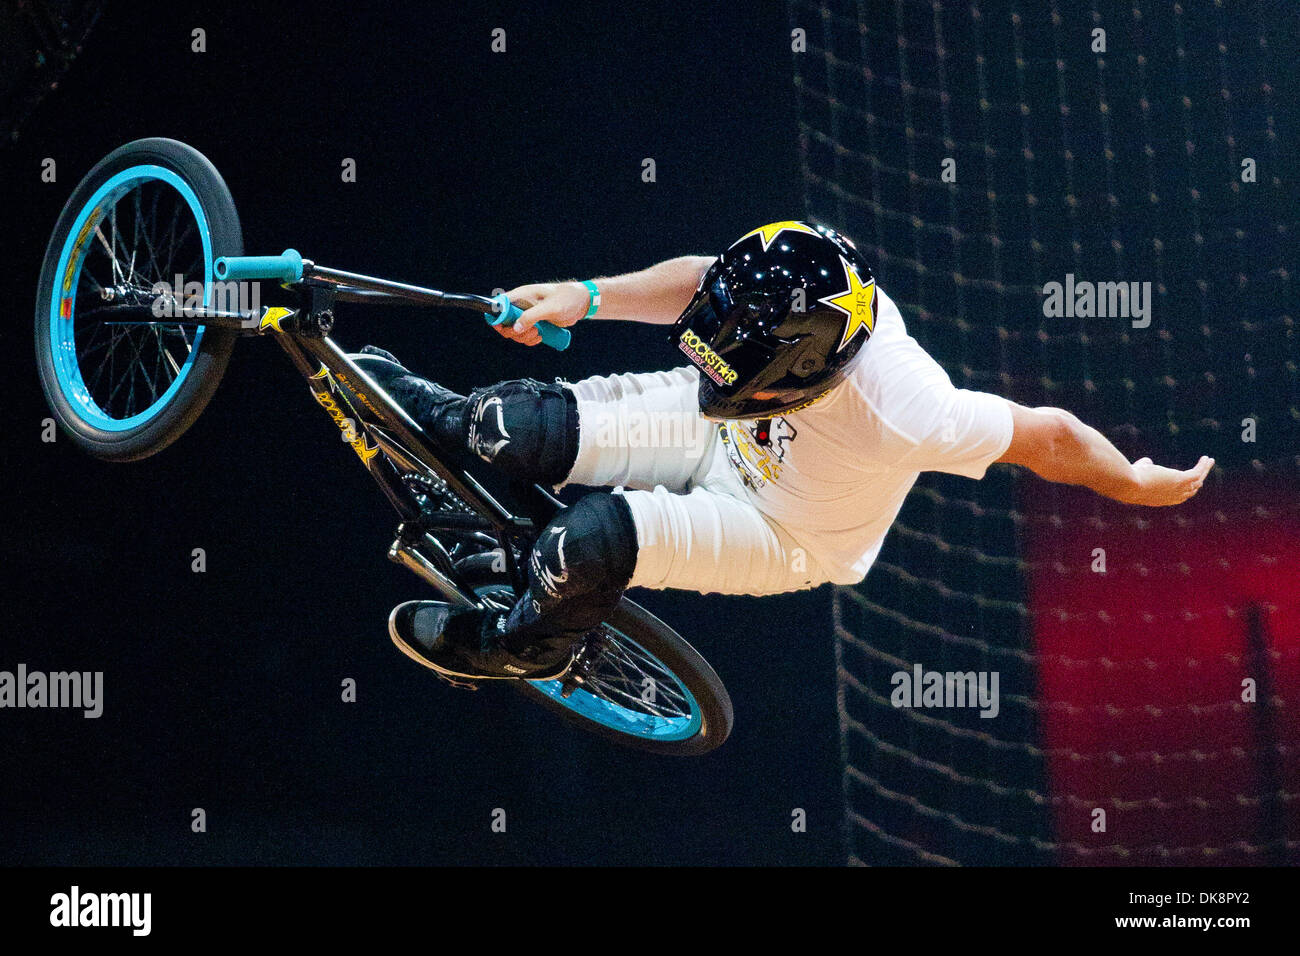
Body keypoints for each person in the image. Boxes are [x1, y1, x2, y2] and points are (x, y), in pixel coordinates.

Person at [357, 221, 1213, 682]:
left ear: (815, 373)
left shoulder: (910, 406)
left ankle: (524, 646)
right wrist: (584, 297)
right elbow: (700, 278)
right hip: (718, 433)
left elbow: (1050, 436)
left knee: (589, 541)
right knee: (505, 427)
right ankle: (448, 423)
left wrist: (1132, 482)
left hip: (784, 529)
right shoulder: (790, 265)